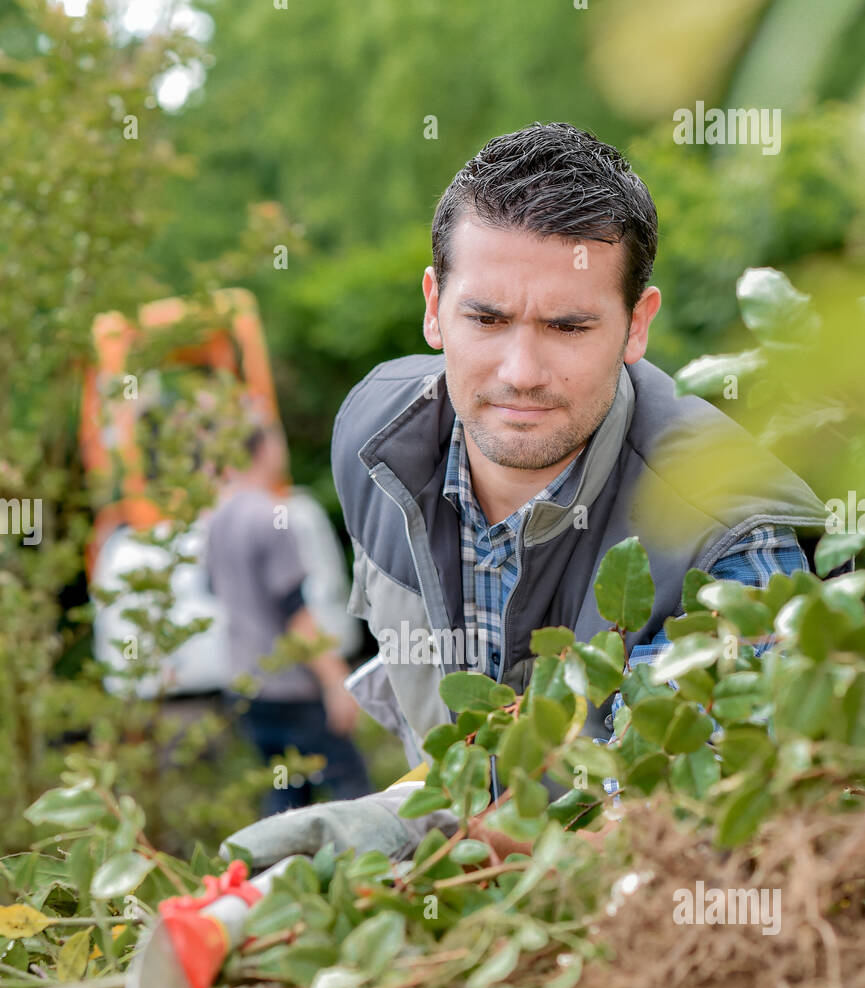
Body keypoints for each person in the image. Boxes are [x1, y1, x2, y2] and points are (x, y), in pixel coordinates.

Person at [219, 122, 828, 870]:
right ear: (433, 305)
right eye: (486, 319)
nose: (521, 373)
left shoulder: (729, 535)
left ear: (636, 325)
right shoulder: (371, 441)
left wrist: (424, 838)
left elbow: (695, 835)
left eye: (568, 326)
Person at [206, 421, 371, 814]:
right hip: (292, 687)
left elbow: (213, 590)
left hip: (248, 684)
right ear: (266, 449)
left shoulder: (217, 519)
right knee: (353, 792)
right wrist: (336, 683)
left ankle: (276, 857)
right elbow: (296, 615)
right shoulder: (272, 517)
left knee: (286, 795)